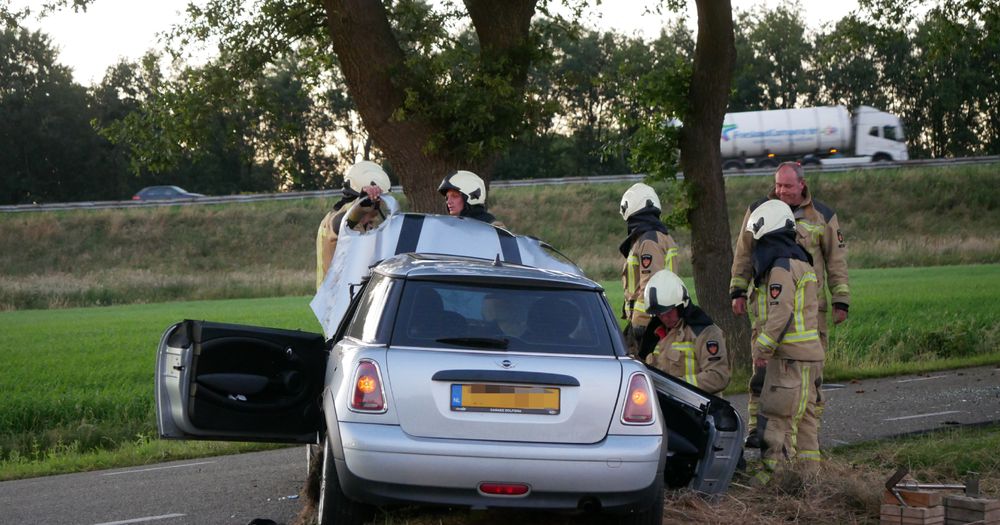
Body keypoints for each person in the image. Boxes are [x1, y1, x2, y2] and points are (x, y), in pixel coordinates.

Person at [731, 161, 850, 448]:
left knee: (811, 380)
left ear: (802, 185)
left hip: (810, 314)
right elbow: (744, 253)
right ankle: (757, 431)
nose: (780, 191)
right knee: (762, 373)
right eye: (777, 185)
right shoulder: (760, 210)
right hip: (767, 310)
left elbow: (836, 260)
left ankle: (807, 435)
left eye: (786, 186)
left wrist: (841, 299)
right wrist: (737, 288)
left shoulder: (822, 215)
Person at [744, 200, 825, 485]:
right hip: (809, 357)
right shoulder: (802, 261)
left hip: (788, 357)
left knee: (778, 416)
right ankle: (810, 480)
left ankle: (773, 479)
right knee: (806, 422)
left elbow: (780, 312)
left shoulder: (780, 267)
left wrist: (762, 348)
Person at [639, 270, 730, 395]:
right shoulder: (653, 335)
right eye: (660, 314)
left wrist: (675, 387)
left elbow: (718, 377)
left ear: (682, 305)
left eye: (669, 311)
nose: (664, 318)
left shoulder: (705, 332)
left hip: (697, 409)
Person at [618, 182, 679, 355]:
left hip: (649, 321)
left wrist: (639, 322)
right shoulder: (654, 236)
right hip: (656, 317)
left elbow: (651, 285)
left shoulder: (648, 240)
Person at [315, 161, 392, 289]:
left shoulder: (368, 227)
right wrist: (359, 208)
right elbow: (341, 224)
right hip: (334, 304)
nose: (380, 207)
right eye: (379, 200)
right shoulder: (333, 220)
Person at [437, 170, 505, 227]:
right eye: (447, 197)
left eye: (455, 196)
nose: (448, 202)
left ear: (471, 196)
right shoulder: (454, 227)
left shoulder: (493, 228)